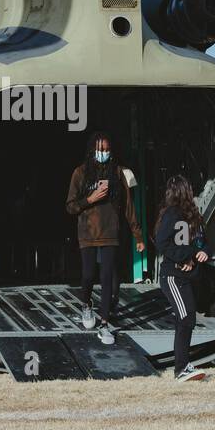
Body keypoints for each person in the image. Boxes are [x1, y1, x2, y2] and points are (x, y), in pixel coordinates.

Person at [65, 131, 145, 345]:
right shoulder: (80, 173)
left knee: (107, 277)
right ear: (92, 150)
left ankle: (104, 323)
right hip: (88, 233)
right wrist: (89, 199)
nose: (104, 153)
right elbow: (70, 206)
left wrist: (138, 235)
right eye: (100, 150)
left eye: (107, 150)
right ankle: (86, 304)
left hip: (111, 233)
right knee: (88, 274)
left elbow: (128, 206)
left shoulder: (118, 174)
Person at [154, 175, 210, 382]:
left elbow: (203, 242)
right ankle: (181, 368)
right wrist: (186, 256)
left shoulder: (194, 216)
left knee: (186, 320)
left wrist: (204, 252)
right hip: (174, 277)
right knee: (186, 318)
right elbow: (162, 242)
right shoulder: (172, 214)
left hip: (190, 276)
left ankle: (183, 365)